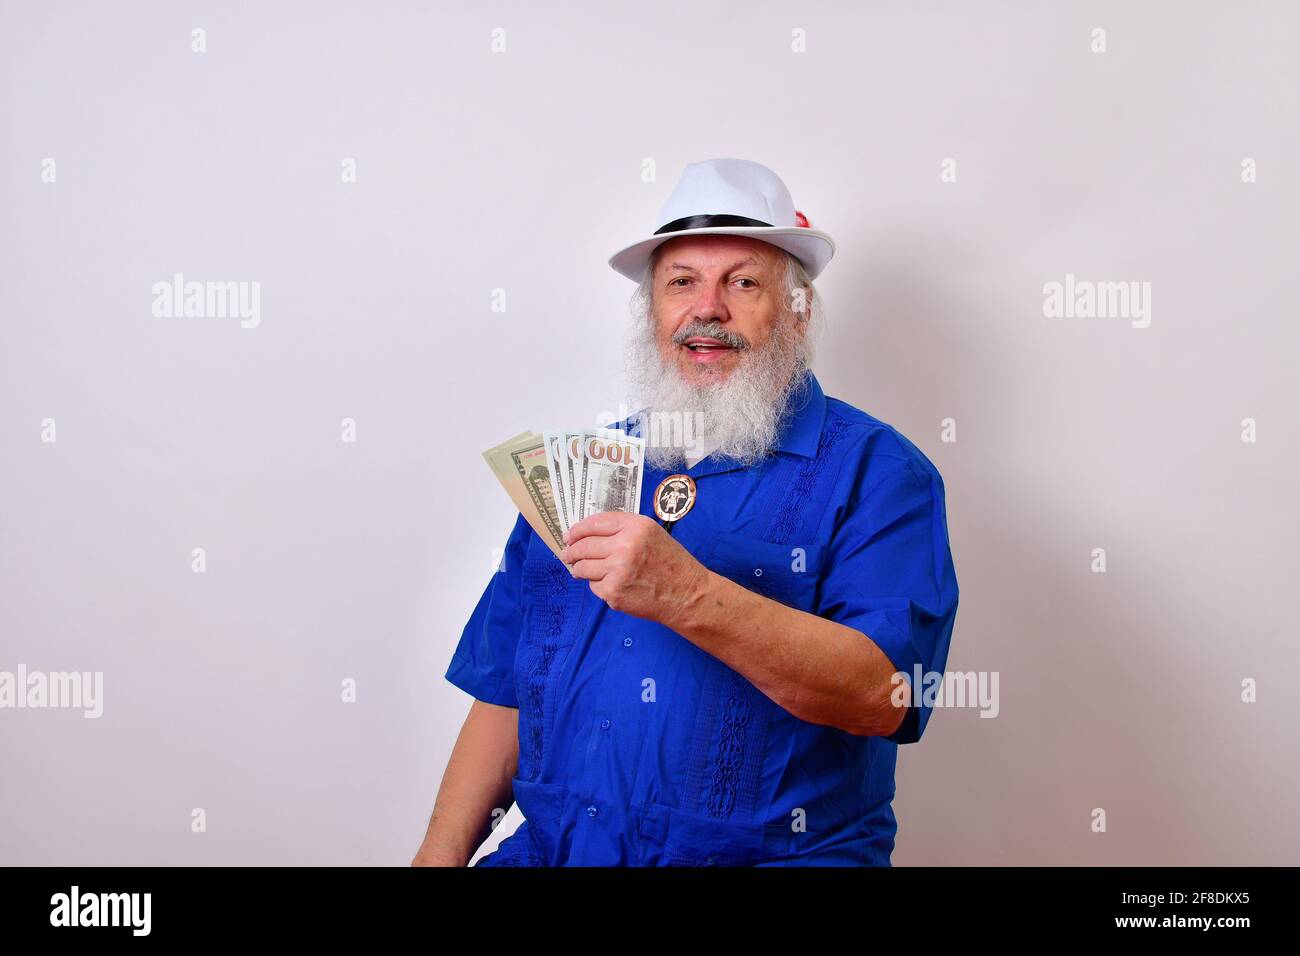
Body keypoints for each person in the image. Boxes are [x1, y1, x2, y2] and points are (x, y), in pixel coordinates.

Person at [412, 158, 959, 866]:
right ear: (652, 312)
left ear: (797, 311)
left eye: (743, 282)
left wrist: (687, 594)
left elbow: (886, 695)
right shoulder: (583, 470)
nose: (708, 309)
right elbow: (504, 692)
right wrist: (437, 855)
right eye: (681, 283)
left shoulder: (881, 474)